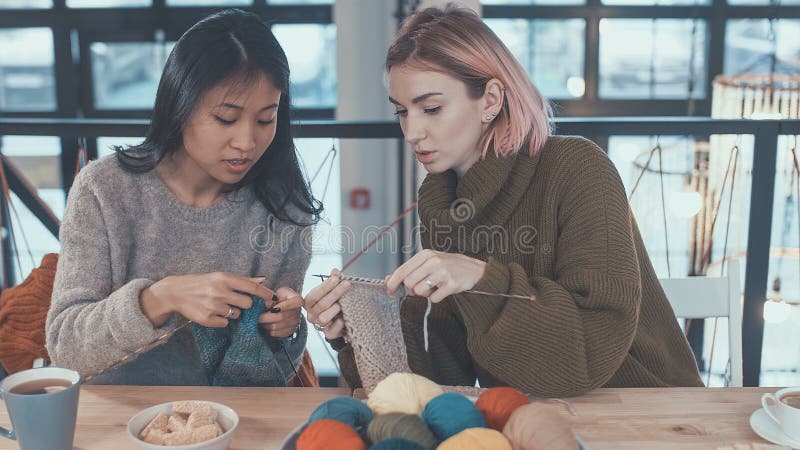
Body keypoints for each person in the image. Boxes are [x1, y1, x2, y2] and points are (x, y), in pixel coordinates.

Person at [304, 4, 702, 397]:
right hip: (532, 411)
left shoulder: (578, 167)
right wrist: (356, 330)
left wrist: (478, 278)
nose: (412, 132)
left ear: (491, 99)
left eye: (431, 108)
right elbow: (444, 372)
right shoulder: (440, 200)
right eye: (403, 113)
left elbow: (591, 351)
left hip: (649, 409)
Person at [46, 9, 321, 386]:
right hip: (117, 424)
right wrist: (160, 298)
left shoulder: (284, 207)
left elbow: (268, 375)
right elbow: (66, 346)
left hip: (235, 420)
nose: (247, 142)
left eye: (265, 119)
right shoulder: (105, 190)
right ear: (180, 104)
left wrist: (285, 329)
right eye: (226, 118)